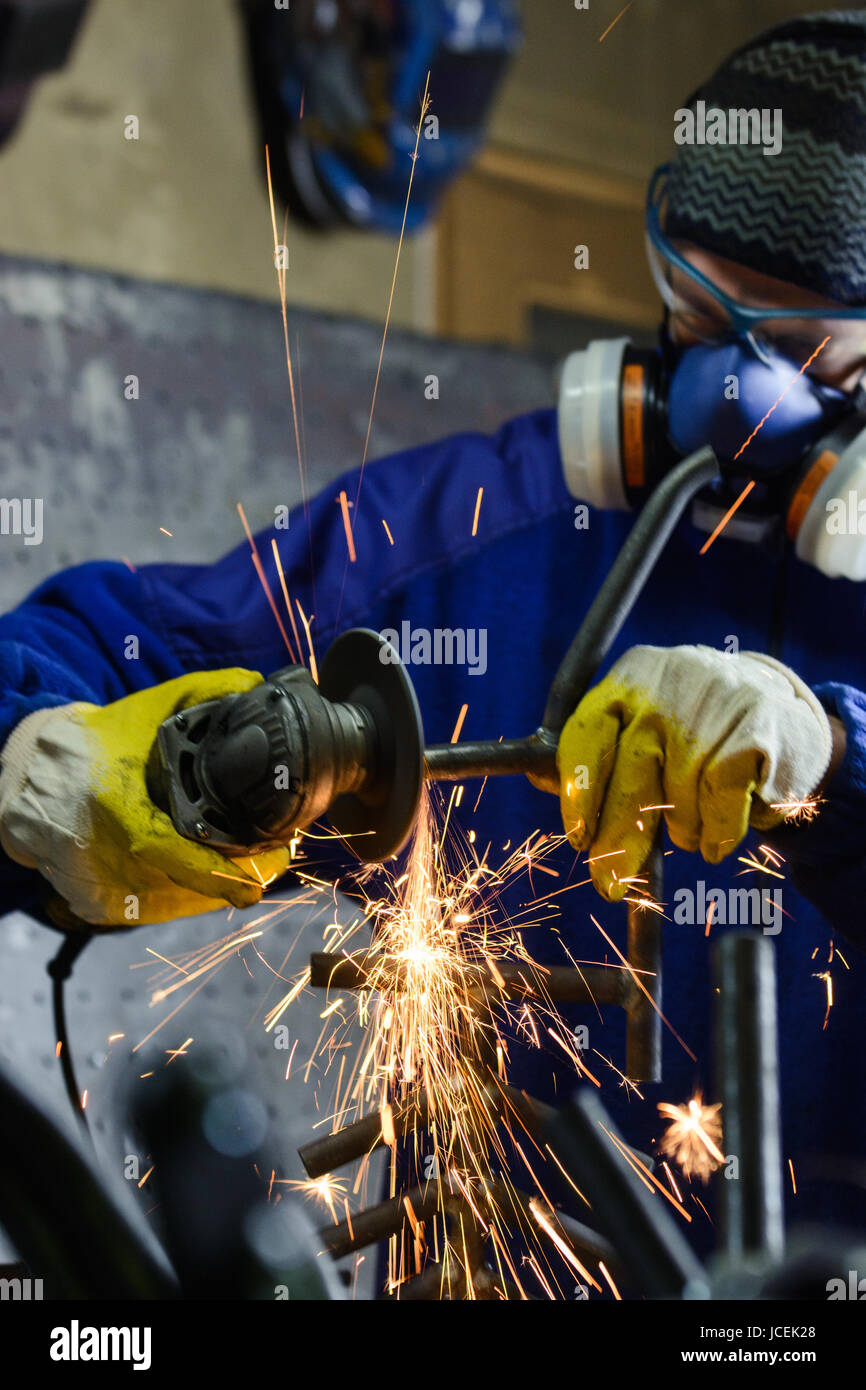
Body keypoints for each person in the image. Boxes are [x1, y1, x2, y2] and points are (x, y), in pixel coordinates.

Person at [2, 9, 866, 1259]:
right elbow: (119, 652)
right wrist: (36, 744)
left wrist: (836, 759)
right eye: (697, 309)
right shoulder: (484, 537)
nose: (726, 390)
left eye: (793, 346)